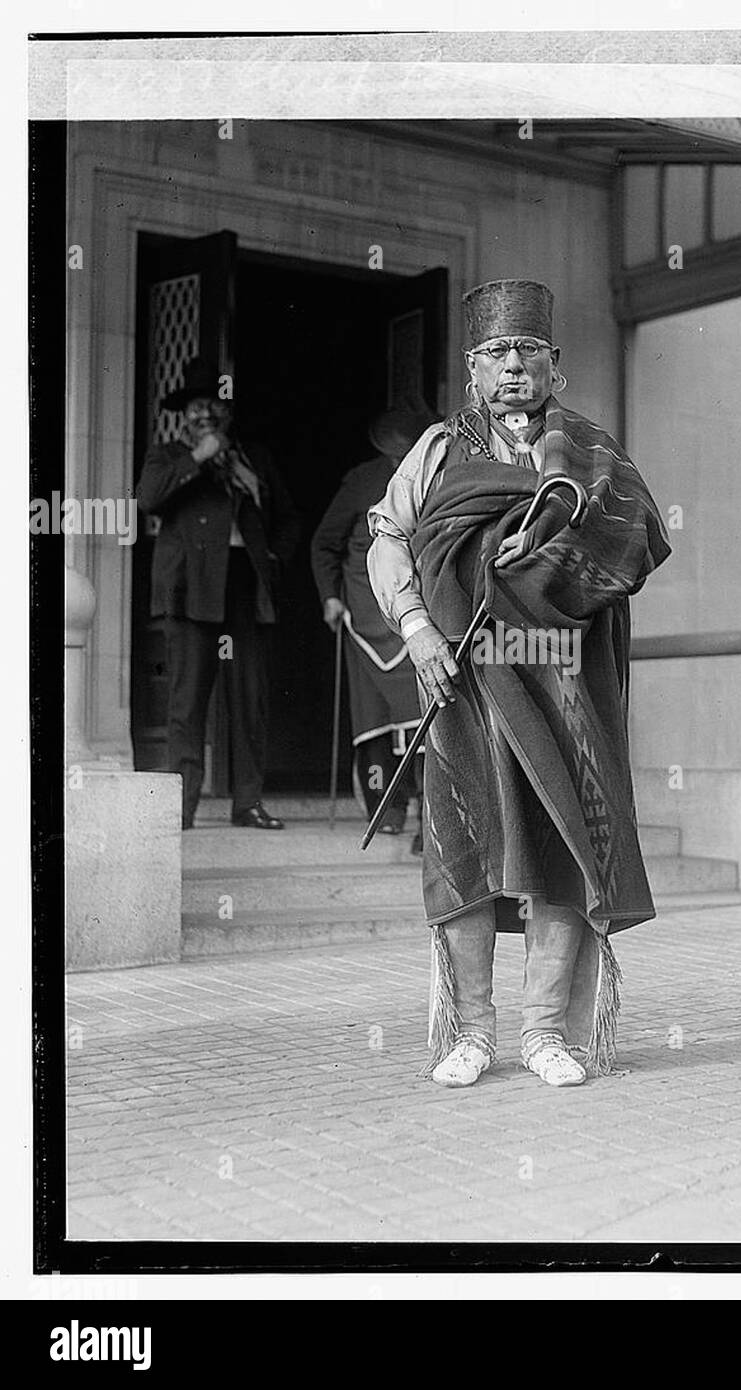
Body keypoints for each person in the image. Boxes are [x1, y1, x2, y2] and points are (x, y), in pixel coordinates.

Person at [367, 278, 671, 1088]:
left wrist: (550, 552)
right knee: (468, 846)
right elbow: (388, 539)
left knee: (562, 845)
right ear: (472, 369)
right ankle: (471, 1032)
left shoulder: (592, 451)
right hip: (461, 681)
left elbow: (634, 542)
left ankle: (547, 1035)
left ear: (553, 365)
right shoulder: (436, 449)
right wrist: (418, 629)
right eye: (496, 353)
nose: (512, 366)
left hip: (564, 685)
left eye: (527, 352)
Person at [136, 357, 300, 831]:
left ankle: (247, 803)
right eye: (196, 407)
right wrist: (200, 457)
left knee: (250, 702)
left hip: (246, 589)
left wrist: (274, 559)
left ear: (227, 412)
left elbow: (289, 518)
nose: (205, 413)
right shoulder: (167, 456)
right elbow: (148, 499)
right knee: (186, 702)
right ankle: (182, 807)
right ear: (183, 416)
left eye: (214, 405)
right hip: (191, 593)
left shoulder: (255, 459)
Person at [310, 409, 432, 850]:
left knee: (423, 720)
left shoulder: (437, 473)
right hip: (364, 612)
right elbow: (325, 542)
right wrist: (331, 596)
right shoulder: (362, 480)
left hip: (418, 614)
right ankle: (387, 807)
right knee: (376, 722)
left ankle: (428, 816)